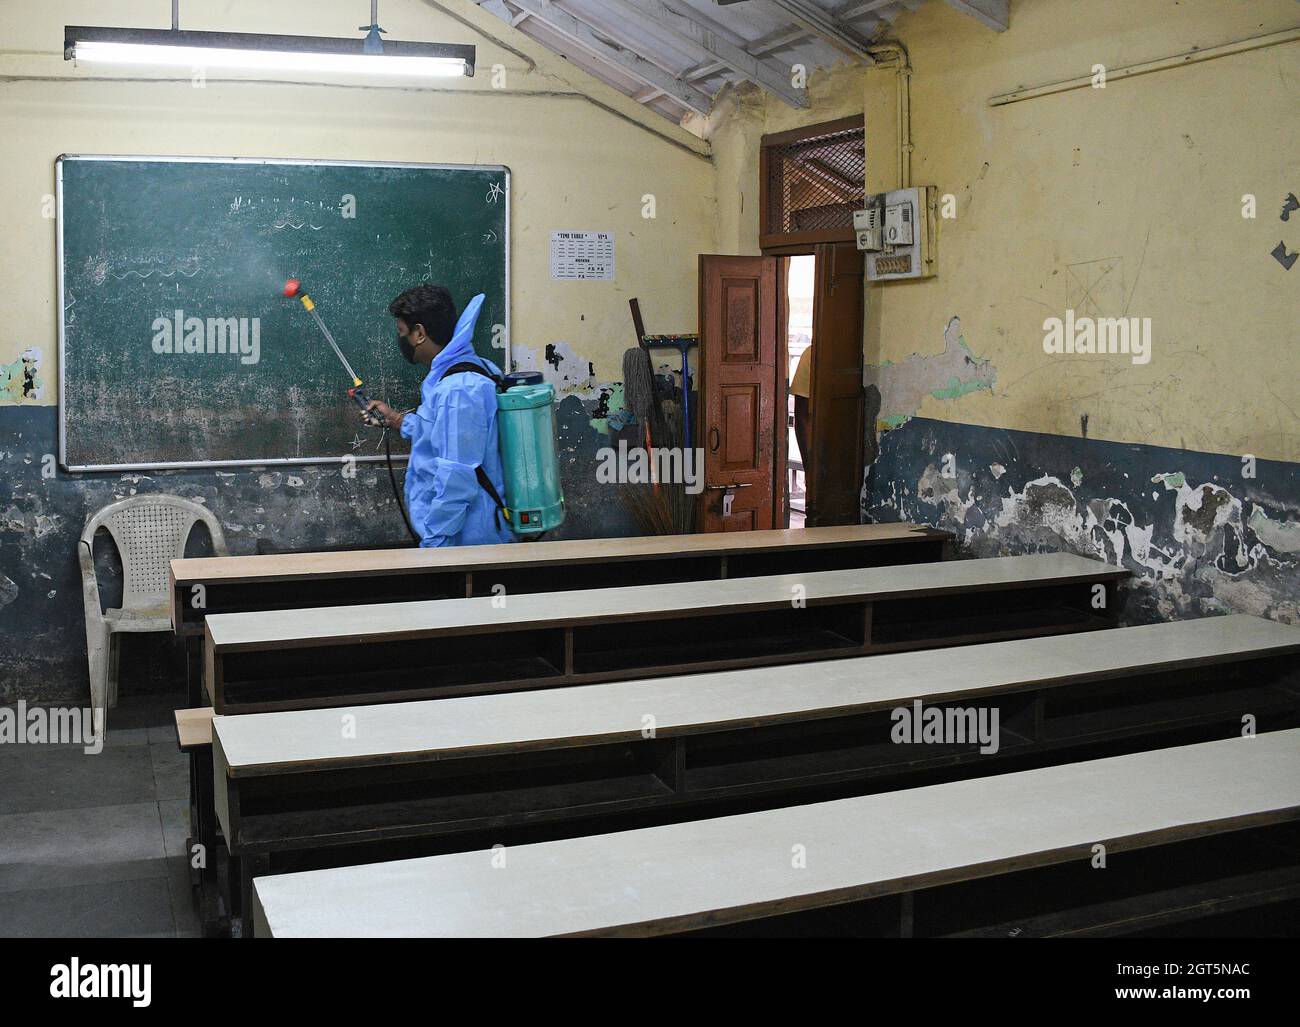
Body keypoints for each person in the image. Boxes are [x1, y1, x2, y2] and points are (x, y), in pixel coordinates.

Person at [364, 284, 513, 548]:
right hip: (461, 537)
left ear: (419, 333)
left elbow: (457, 478)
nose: (401, 340)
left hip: (470, 541)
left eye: (402, 332)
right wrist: (397, 420)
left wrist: (435, 545)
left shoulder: (460, 389)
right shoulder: (463, 373)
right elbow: (441, 434)